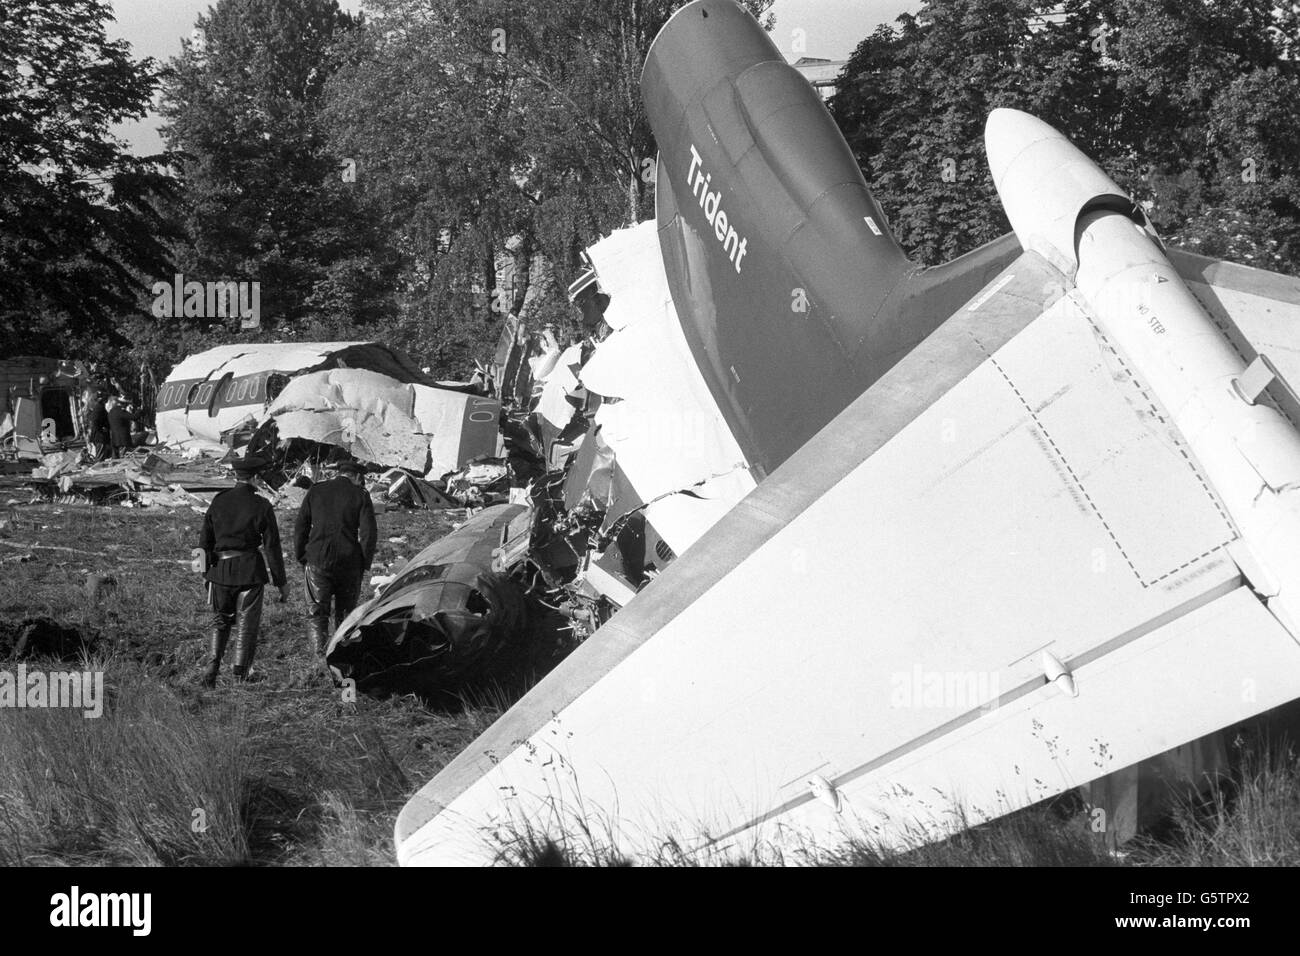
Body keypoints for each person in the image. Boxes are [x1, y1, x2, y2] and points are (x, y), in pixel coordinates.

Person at [198, 455, 288, 685]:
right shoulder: (261, 505)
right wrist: (280, 582)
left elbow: (203, 540)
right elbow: (272, 546)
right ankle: (241, 672)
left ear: (236, 476)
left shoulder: (218, 501)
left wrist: (203, 572)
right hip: (250, 571)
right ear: (255, 478)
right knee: (247, 624)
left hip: (219, 570)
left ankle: (212, 667)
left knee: (220, 621)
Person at [295, 459, 377, 655]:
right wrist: (364, 563)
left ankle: (318, 655)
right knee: (346, 613)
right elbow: (368, 534)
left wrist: (302, 556)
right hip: (349, 562)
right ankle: (342, 654)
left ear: (338, 472)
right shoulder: (361, 495)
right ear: (358, 476)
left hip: (317, 558)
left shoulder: (316, 490)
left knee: (316, 613)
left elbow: (301, 527)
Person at [83, 389, 110, 462]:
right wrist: (101, 429)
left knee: (102, 455)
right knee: (100, 457)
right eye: (106, 398)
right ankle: (98, 469)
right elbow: (95, 422)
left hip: (99, 436)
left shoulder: (99, 407)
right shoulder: (99, 408)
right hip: (99, 437)